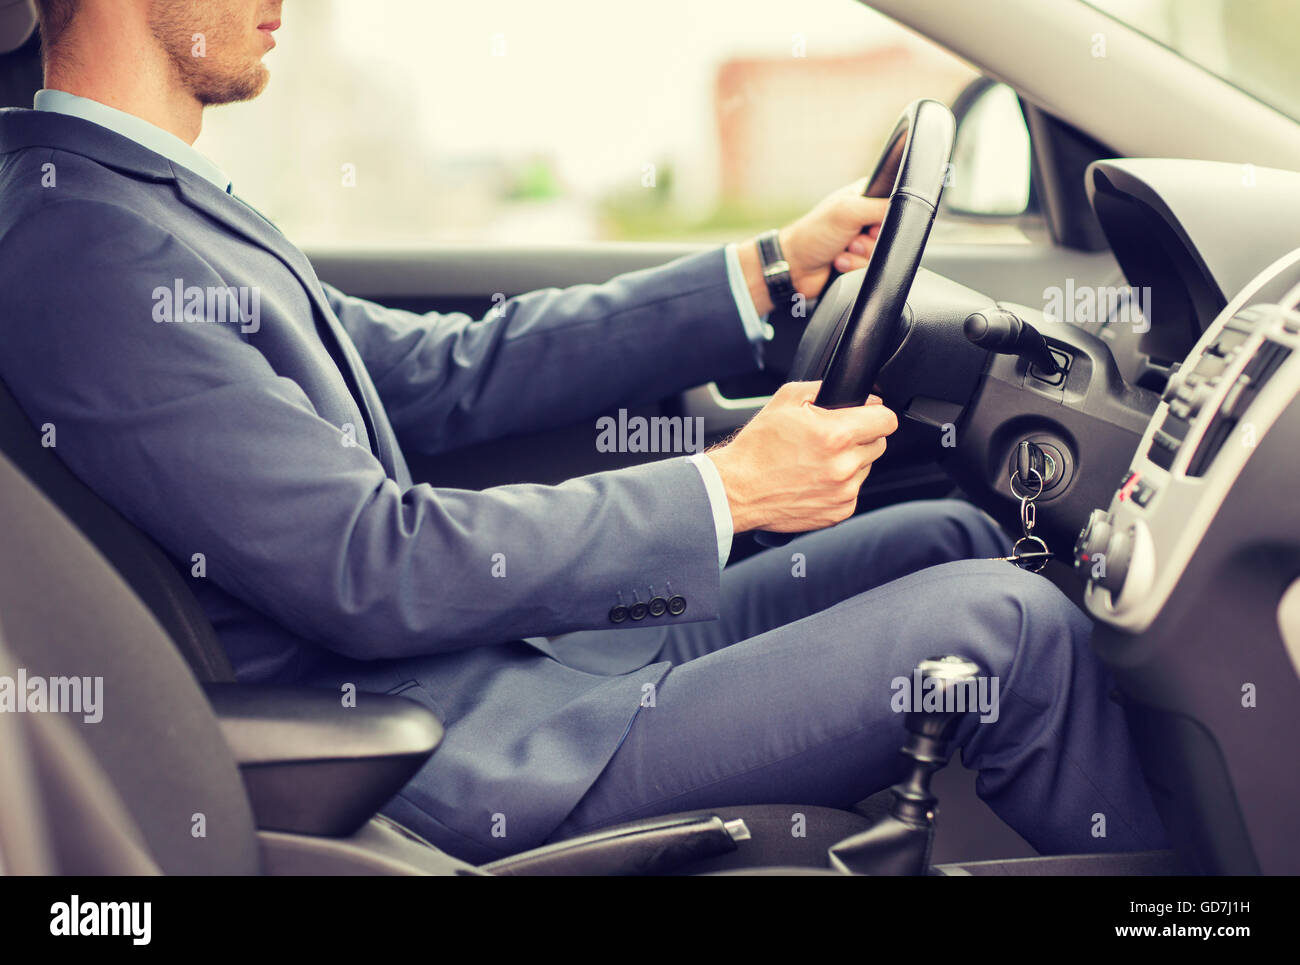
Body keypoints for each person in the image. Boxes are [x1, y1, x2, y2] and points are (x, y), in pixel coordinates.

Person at [0, 0, 1168, 863]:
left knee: (954, 538)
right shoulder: (85, 253)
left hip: (524, 669)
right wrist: (726, 490)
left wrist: (760, 272)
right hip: (437, 748)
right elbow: (364, 565)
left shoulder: (154, 202)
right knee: (1007, 626)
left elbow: (436, 371)